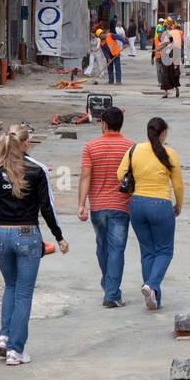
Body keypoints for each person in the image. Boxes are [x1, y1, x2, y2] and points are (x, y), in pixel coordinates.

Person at [0, 125, 69, 366]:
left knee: (10, 286)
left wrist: (4, 147)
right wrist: (58, 236)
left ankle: (4, 336)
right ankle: (15, 350)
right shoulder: (37, 169)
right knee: (23, 292)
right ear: (26, 144)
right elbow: (47, 207)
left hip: (1, 234)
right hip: (26, 233)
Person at [118, 116, 183, 310]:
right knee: (164, 251)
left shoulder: (134, 150)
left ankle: (154, 298)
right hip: (160, 205)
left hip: (137, 204)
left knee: (147, 251)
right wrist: (178, 204)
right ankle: (151, 285)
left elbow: (120, 174)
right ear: (163, 133)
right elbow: (177, 184)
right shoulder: (169, 153)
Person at [77, 107, 133, 308]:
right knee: (117, 249)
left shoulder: (90, 147)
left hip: (98, 207)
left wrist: (81, 205)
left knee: (102, 247)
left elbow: (85, 176)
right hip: (121, 206)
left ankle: (109, 284)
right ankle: (111, 294)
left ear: (104, 124)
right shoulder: (130, 147)